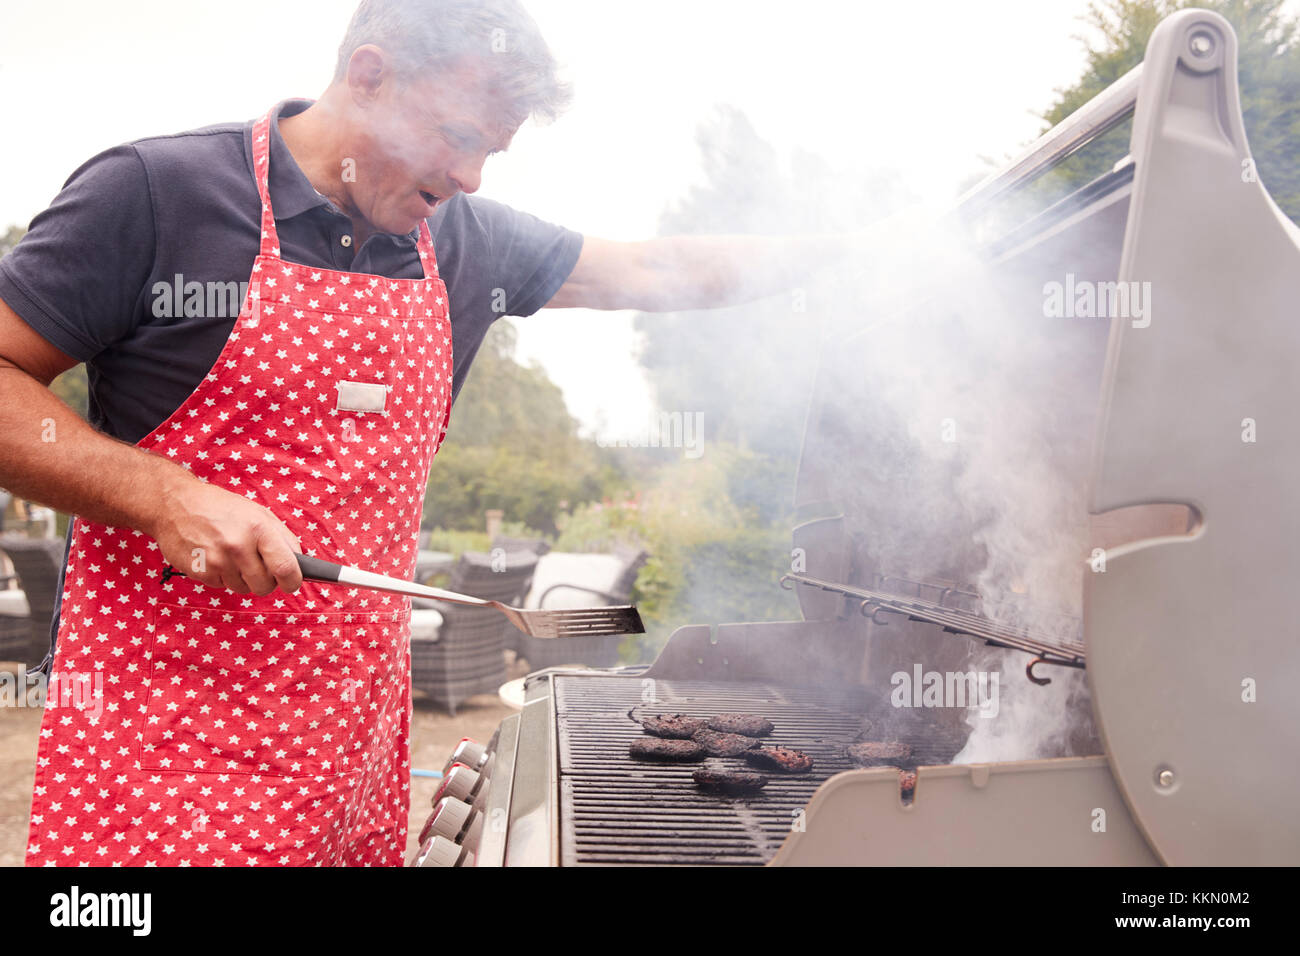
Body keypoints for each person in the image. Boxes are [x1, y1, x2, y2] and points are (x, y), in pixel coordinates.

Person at [0, 0, 850, 866]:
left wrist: (864, 257)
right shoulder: (156, 192)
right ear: (368, 77)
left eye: (491, 150)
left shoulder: (463, 239)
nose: (473, 176)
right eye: (458, 136)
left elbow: (651, 266)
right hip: (159, 759)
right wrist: (161, 494)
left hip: (346, 755)